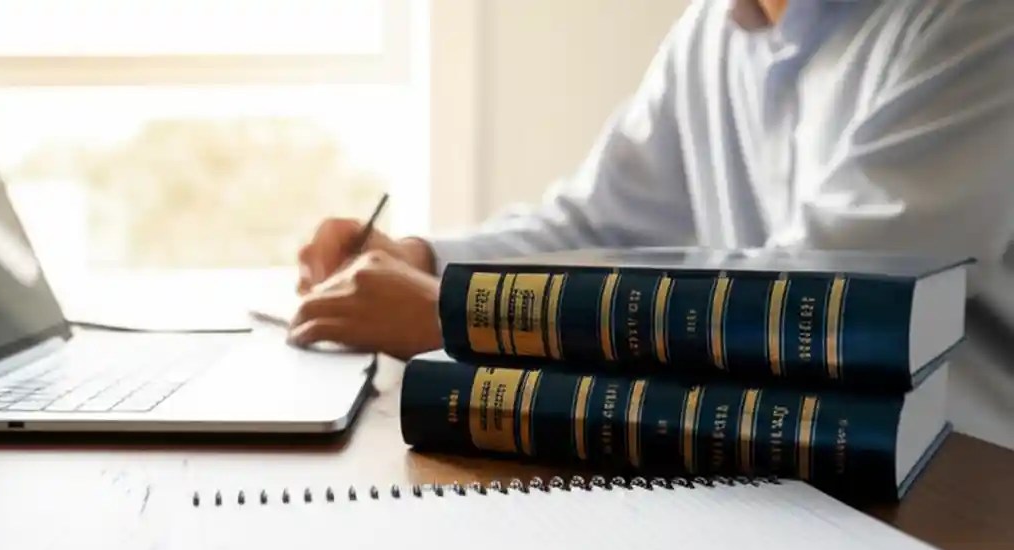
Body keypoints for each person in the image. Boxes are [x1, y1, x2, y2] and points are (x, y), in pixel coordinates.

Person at [291, 0, 1014, 360]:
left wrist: (470, 315)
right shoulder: (711, 30)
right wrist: (422, 260)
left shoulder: (976, 22)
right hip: (781, 485)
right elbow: (600, 224)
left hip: (960, 503)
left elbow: (832, 304)